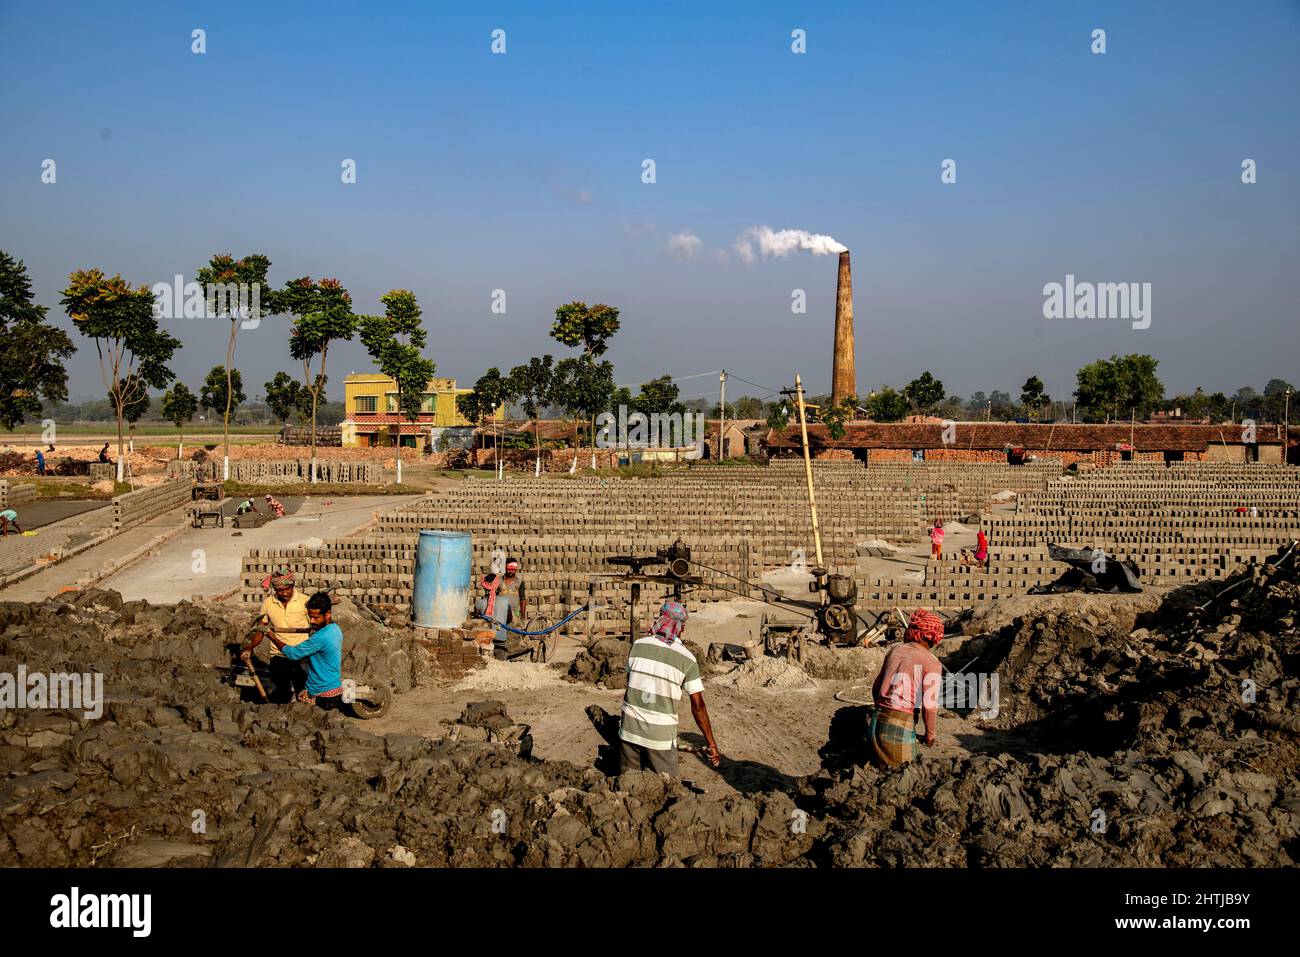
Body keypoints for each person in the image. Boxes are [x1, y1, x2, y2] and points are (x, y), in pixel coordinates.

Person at [618, 600, 721, 777]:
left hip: (629, 730)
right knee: (666, 787)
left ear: (660, 619)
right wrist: (711, 743)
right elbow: (698, 706)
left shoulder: (638, 645)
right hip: (661, 738)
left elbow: (631, 682)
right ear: (680, 628)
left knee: (628, 783)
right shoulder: (687, 659)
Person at [869, 608, 945, 769]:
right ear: (929, 636)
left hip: (875, 723)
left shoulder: (895, 650)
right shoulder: (932, 663)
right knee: (904, 772)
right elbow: (930, 707)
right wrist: (930, 736)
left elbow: (876, 688)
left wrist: (882, 710)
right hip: (897, 728)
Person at [261, 591, 345, 710]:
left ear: (328, 614)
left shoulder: (321, 637)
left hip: (323, 695)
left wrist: (272, 636)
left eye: (316, 617)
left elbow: (293, 654)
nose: (311, 621)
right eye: (310, 616)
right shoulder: (335, 629)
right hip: (334, 689)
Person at [239, 568, 311, 702]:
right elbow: (262, 629)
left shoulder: (305, 601)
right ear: (275, 590)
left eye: (287, 589)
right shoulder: (269, 603)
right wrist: (250, 647)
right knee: (280, 692)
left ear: (293, 586)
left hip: (301, 655)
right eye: (280, 590)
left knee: (303, 693)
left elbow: (316, 628)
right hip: (279, 655)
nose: (284, 593)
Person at [475, 557, 529, 659]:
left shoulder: (520, 581)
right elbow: (491, 595)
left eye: (513, 569)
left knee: (514, 634)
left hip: (514, 611)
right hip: (500, 610)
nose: (511, 571)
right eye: (509, 568)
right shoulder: (498, 580)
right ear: (505, 568)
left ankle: (515, 655)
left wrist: (523, 616)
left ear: (516, 569)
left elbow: (522, 599)